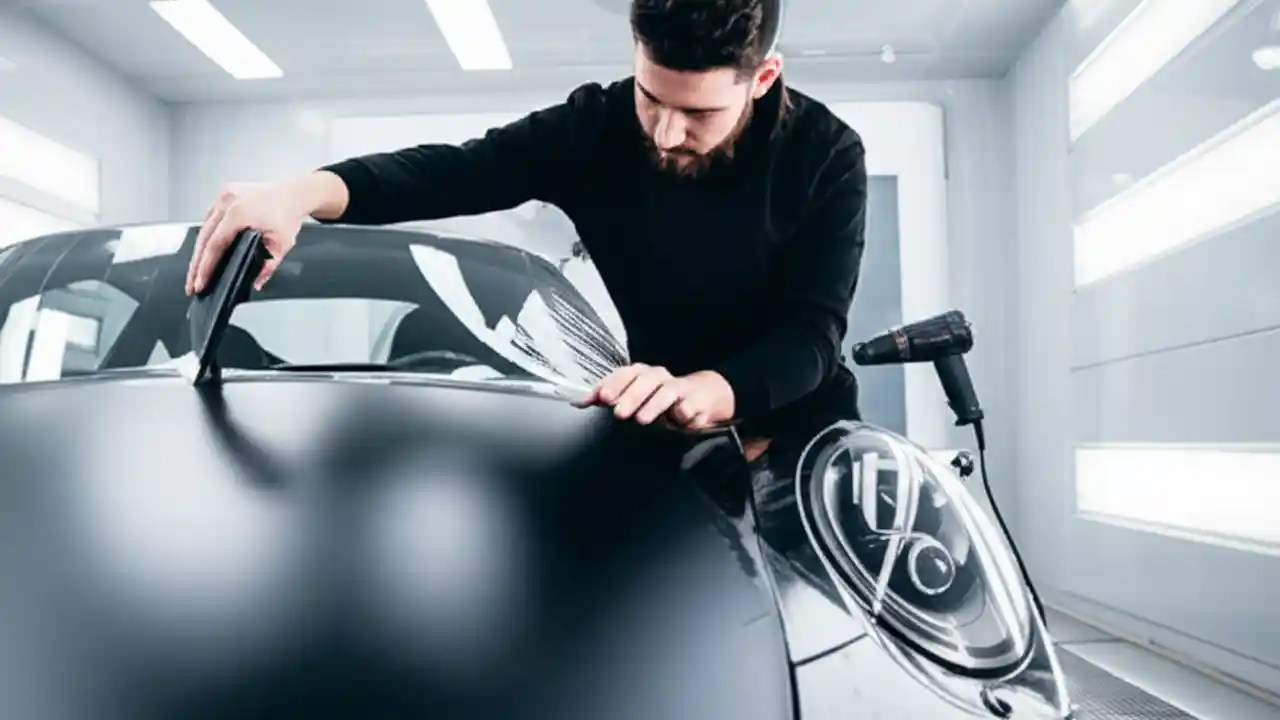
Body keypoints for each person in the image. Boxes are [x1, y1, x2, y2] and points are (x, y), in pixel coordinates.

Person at [185, 0, 867, 461]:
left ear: (763, 77)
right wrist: (299, 193)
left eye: (698, 115)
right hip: (663, 434)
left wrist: (712, 390)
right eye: (650, 97)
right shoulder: (593, 130)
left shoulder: (828, 154)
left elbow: (812, 332)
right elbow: (451, 173)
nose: (664, 134)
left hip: (799, 441)